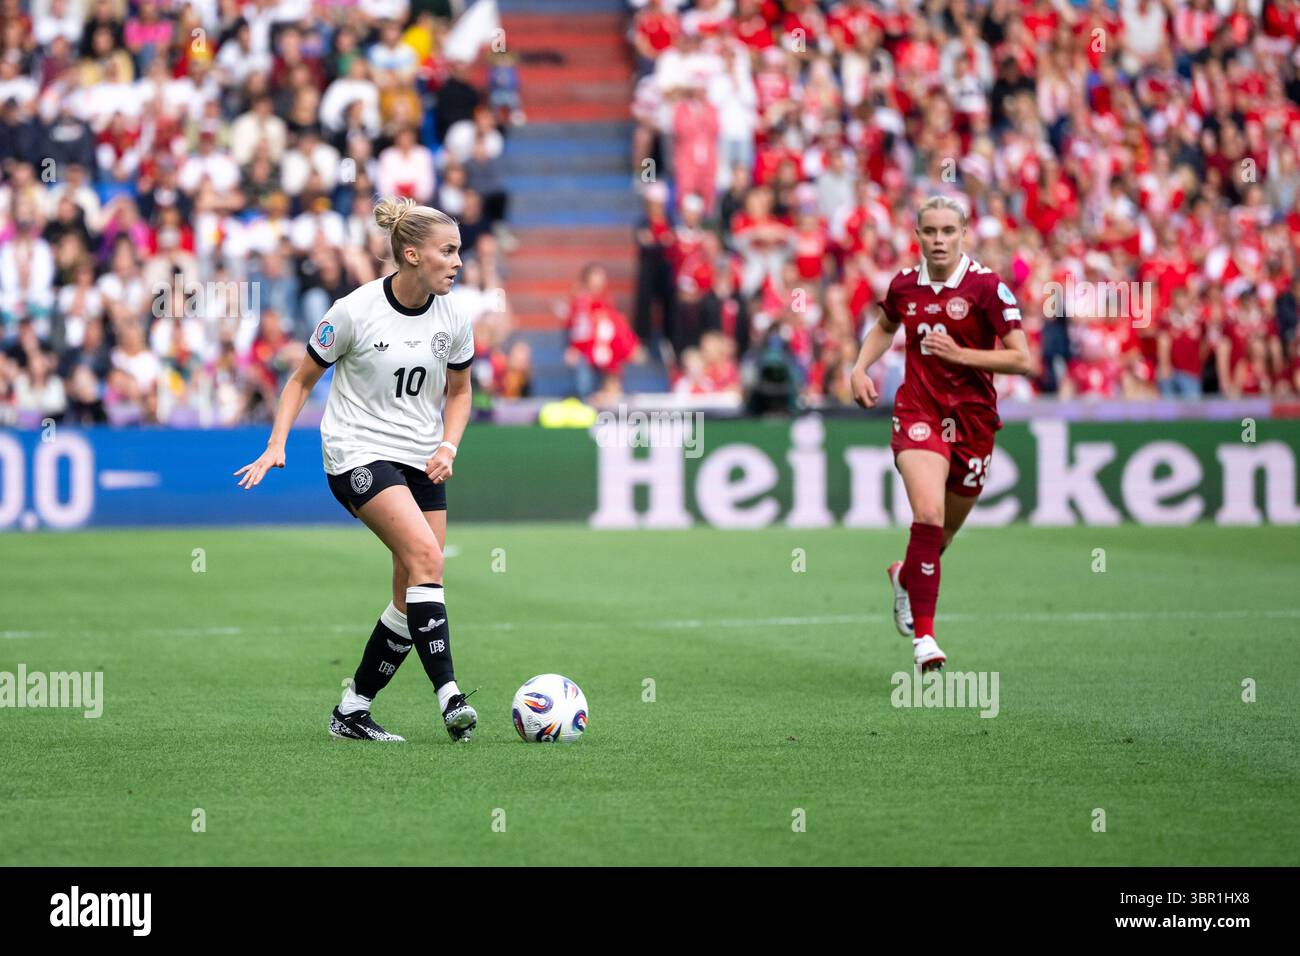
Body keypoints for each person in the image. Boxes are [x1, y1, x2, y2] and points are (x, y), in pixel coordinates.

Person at [235, 197, 478, 743]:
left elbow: (460, 392)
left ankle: (352, 711)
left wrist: (449, 446)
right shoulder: (352, 311)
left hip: (422, 458)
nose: (459, 262)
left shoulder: (455, 317)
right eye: (449, 251)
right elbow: (300, 380)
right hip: (357, 453)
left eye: (459, 250)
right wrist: (277, 444)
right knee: (425, 556)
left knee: (412, 589)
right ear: (411, 254)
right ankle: (451, 698)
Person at [850, 196, 1032, 672]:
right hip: (919, 410)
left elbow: (1022, 359)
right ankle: (925, 639)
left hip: (973, 422)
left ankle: (905, 576)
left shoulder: (988, 288)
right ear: (917, 235)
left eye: (948, 231)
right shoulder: (905, 285)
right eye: (930, 231)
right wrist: (859, 367)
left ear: (963, 234)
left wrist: (961, 355)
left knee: (941, 536)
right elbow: (885, 325)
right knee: (927, 514)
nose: (938, 240)